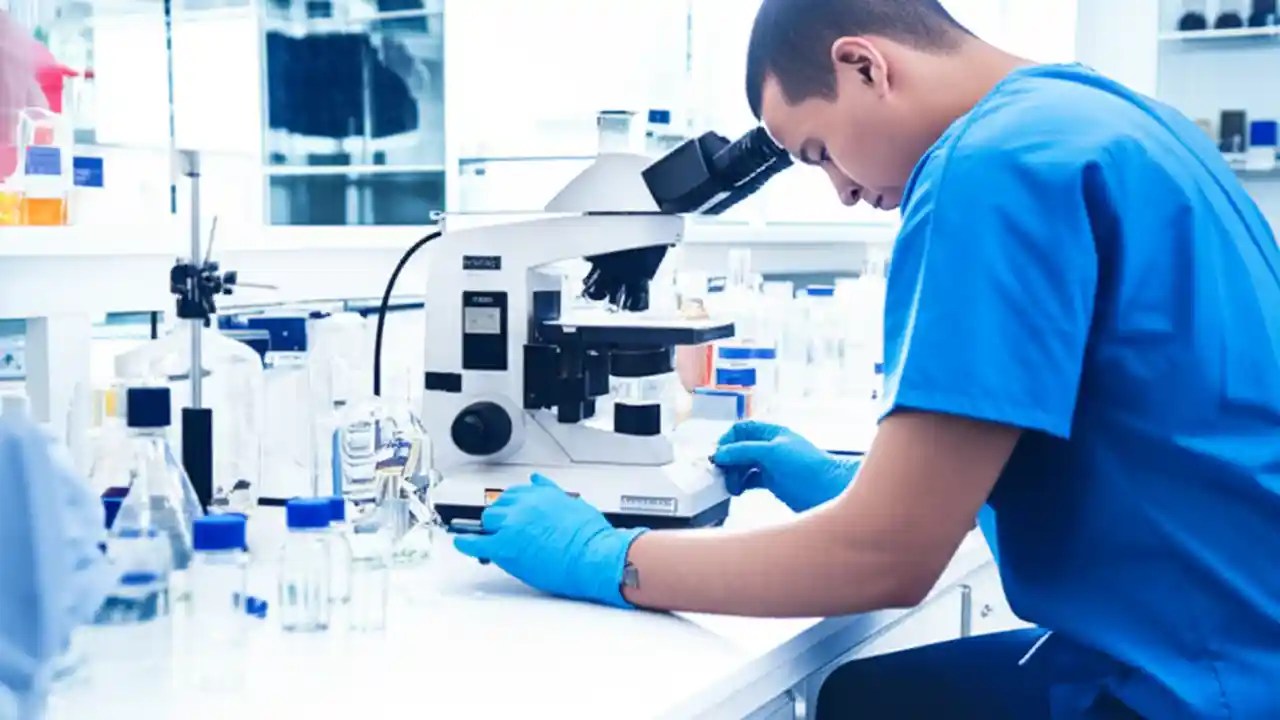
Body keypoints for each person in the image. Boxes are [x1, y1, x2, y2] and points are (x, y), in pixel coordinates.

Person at [452, 1, 1280, 717]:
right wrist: (863, 487)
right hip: (1236, 644)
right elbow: (1146, 439)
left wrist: (606, 559)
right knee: (866, 696)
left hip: (1196, 686)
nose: (842, 190)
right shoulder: (1119, 121)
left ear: (864, 66)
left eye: (817, 151)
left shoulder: (989, 166)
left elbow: (888, 559)